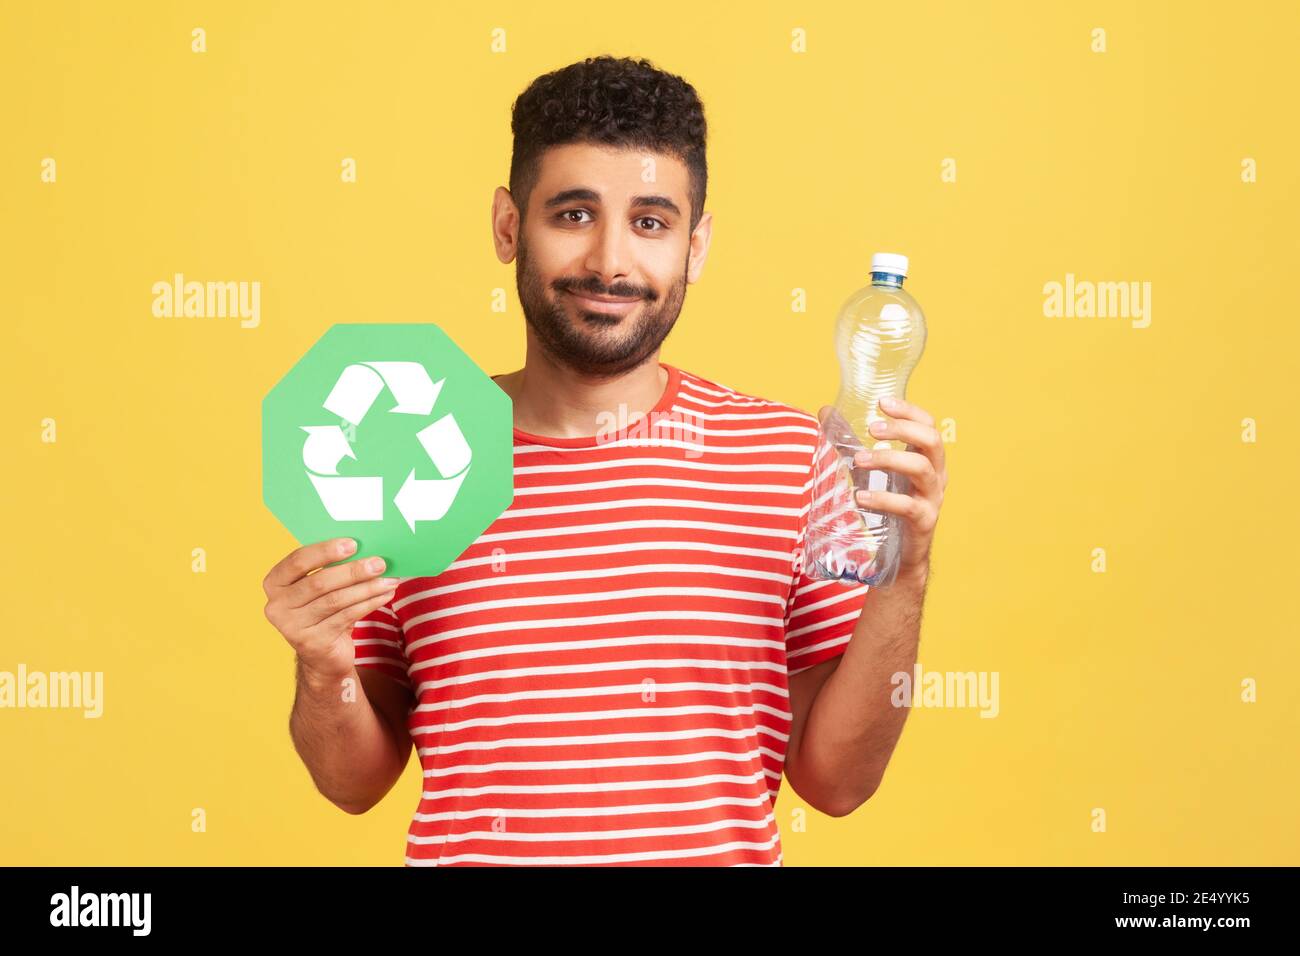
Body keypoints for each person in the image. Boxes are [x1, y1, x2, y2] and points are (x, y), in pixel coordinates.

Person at [262, 55, 947, 866]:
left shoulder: (785, 459)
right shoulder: (403, 449)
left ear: (697, 245)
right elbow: (353, 783)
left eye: (651, 222)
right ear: (509, 226)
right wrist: (321, 665)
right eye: (575, 214)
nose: (611, 263)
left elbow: (838, 784)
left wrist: (906, 574)